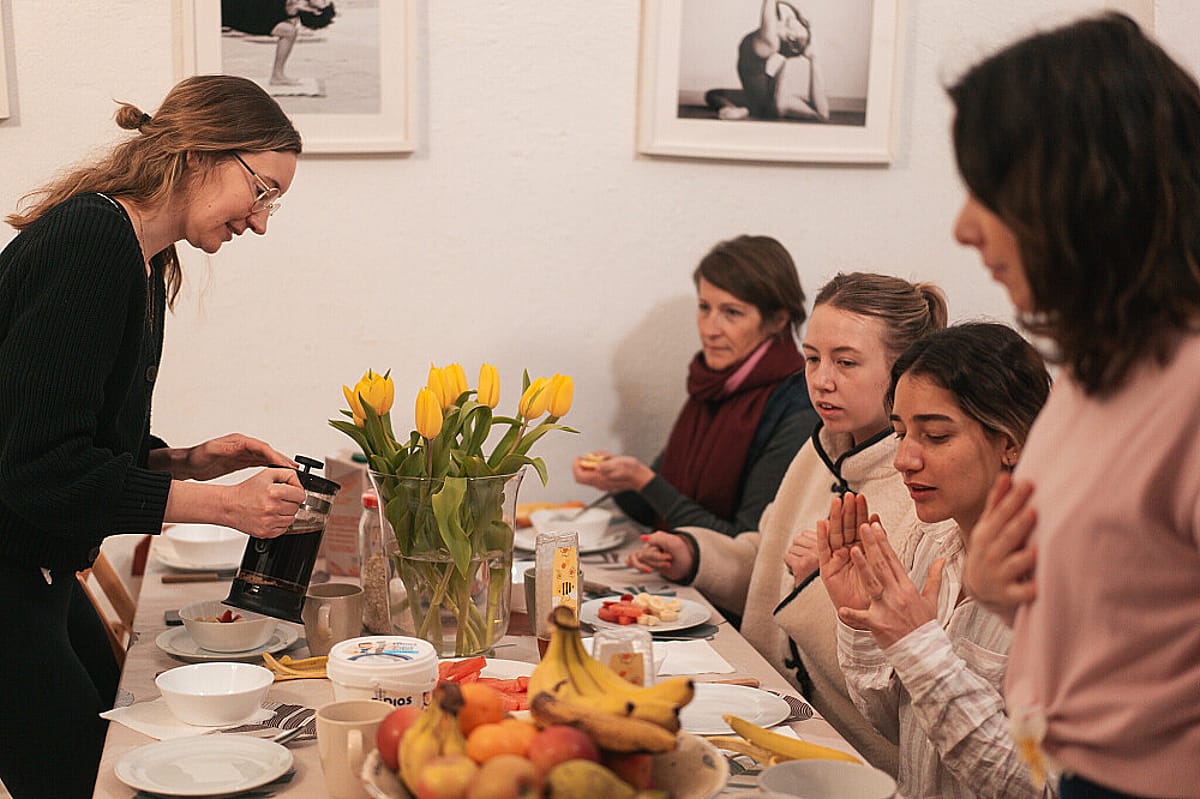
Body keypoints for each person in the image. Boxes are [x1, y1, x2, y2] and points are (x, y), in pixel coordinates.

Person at [0, 75, 306, 799]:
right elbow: (41, 470)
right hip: (12, 565)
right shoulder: (91, 243)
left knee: (122, 743)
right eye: (262, 191)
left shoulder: (139, 255)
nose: (261, 222)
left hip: (34, 563)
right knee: (95, 779)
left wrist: (188, 458)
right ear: (200, 155)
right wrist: (224, 505)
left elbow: (62, 439)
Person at [948, 13, 1200, 799]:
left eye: (986, 193)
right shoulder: (1097, 371)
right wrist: (996, 588)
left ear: (1081, 196)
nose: (962, 226)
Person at [629, 272, 948, 774]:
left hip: (853, 754)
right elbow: (768, 560)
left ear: (905, 372)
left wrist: (815, 587)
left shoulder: (920, 486)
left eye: (845, 362)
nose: (821, 380)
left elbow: (900, 685)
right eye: (812, 358)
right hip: (771, 713)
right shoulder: (822, 447)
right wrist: (696, 554)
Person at [819, 323, 1052, 798]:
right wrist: (867, 629)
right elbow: (901, 730)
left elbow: (1037, 786)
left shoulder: (1057, 579)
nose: (904, 459)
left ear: (1012, 442)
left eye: (936, 436)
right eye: (900, 433)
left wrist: (920, 649)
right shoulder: (933, 545)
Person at [573, 235, 816, 537]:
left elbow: (743, 542)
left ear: (777, 320)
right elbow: (656, 508)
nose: (709, 329)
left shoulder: (798, 405)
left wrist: (643, 480)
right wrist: (619, 480)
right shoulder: (712, 385)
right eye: (704, 307)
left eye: (732, 312)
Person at [705, 0, 830, 122]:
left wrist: (814, 56)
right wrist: (814, 58)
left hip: (769, 99)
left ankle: (737, 109)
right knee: (713, 94)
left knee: (820, 114)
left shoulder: (770, 41)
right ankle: (746, 110)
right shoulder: (772, 38)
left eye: (801, 26)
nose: (799, 21)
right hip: (763, 99)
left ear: (791, 37)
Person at [221, 0, 336, 86]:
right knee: (289, 31)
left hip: (248, 15)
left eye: (324, 1)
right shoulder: (296, 8)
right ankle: (277, 76)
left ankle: (277, 75)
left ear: (316, 11)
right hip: (240, 7)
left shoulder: (294, 10)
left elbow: (287, 10)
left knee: (289, 31)